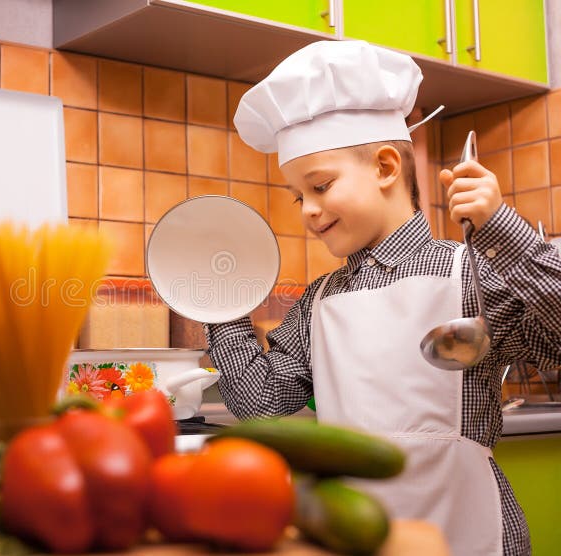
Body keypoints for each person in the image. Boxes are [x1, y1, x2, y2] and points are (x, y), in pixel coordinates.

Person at [205, 40, 561, 556]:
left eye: (321, 186)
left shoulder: (473, 273)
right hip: (357, 539)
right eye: (299, 196)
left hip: (469, 535)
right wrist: (223, 309)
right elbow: (262, 402)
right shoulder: (320, 300)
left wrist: (503, 233)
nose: (307, 210)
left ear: (386, 167)